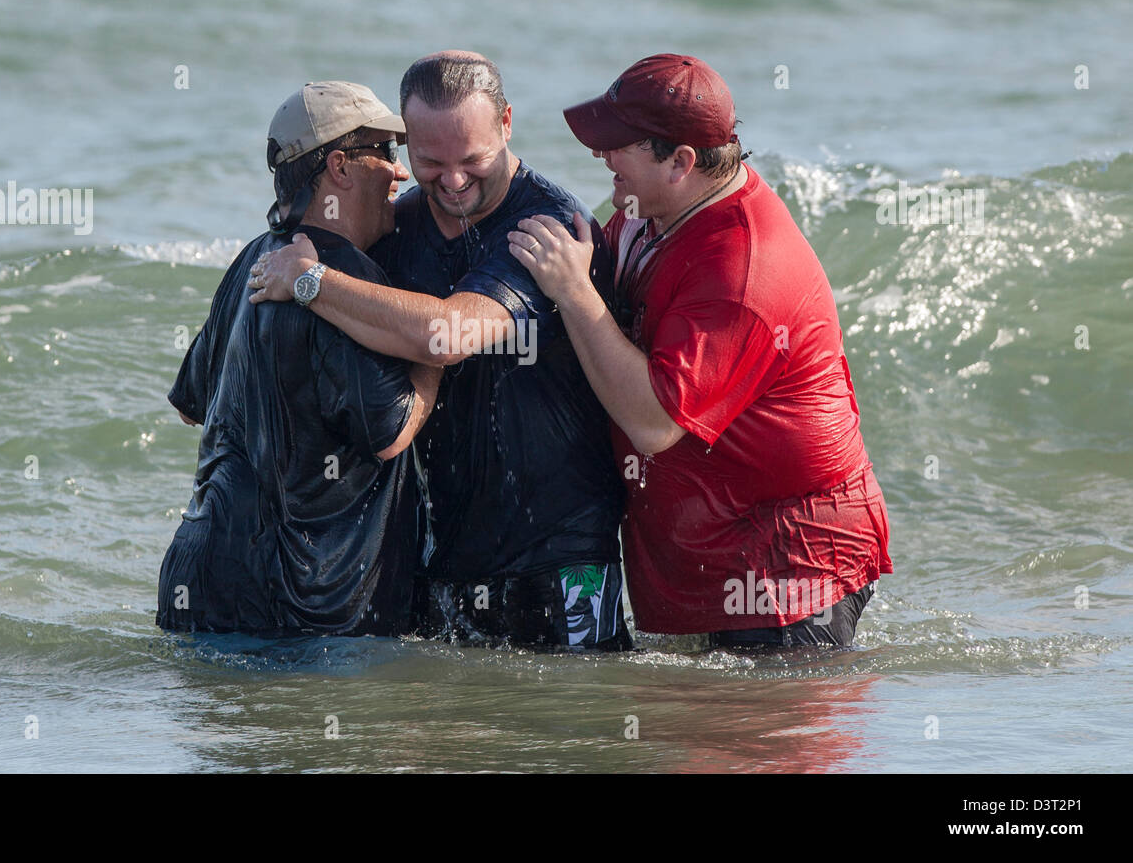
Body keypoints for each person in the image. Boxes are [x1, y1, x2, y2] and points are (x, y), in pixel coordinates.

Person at [247, 52, 629, 651]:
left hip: (562, 556)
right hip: (437, 562)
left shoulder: (548, 227)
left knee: (575, 739)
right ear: (405, 144)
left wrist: (312, 280)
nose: (452, 181)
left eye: (472, 160)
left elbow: (447, 336)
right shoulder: (393, 232)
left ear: (506, 123)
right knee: (452, 742)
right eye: (429, 162)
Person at [507, 53, 892, 648]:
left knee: (758, 739)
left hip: (787, 567)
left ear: (682, 162)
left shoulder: (742, 271)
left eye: (617, 144)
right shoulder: (646, 211)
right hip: (711, 547)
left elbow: (654, 423)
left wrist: (574, 292)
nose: (598, 155)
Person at [156, 81, 442, 638]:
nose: (401, 173)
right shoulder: (341, 278)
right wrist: (433, 350)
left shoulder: (251, 260)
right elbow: (390, 430)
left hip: (199, 579)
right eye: (385, 153)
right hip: (302, 605)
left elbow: (192, 404)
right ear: (339, 166)